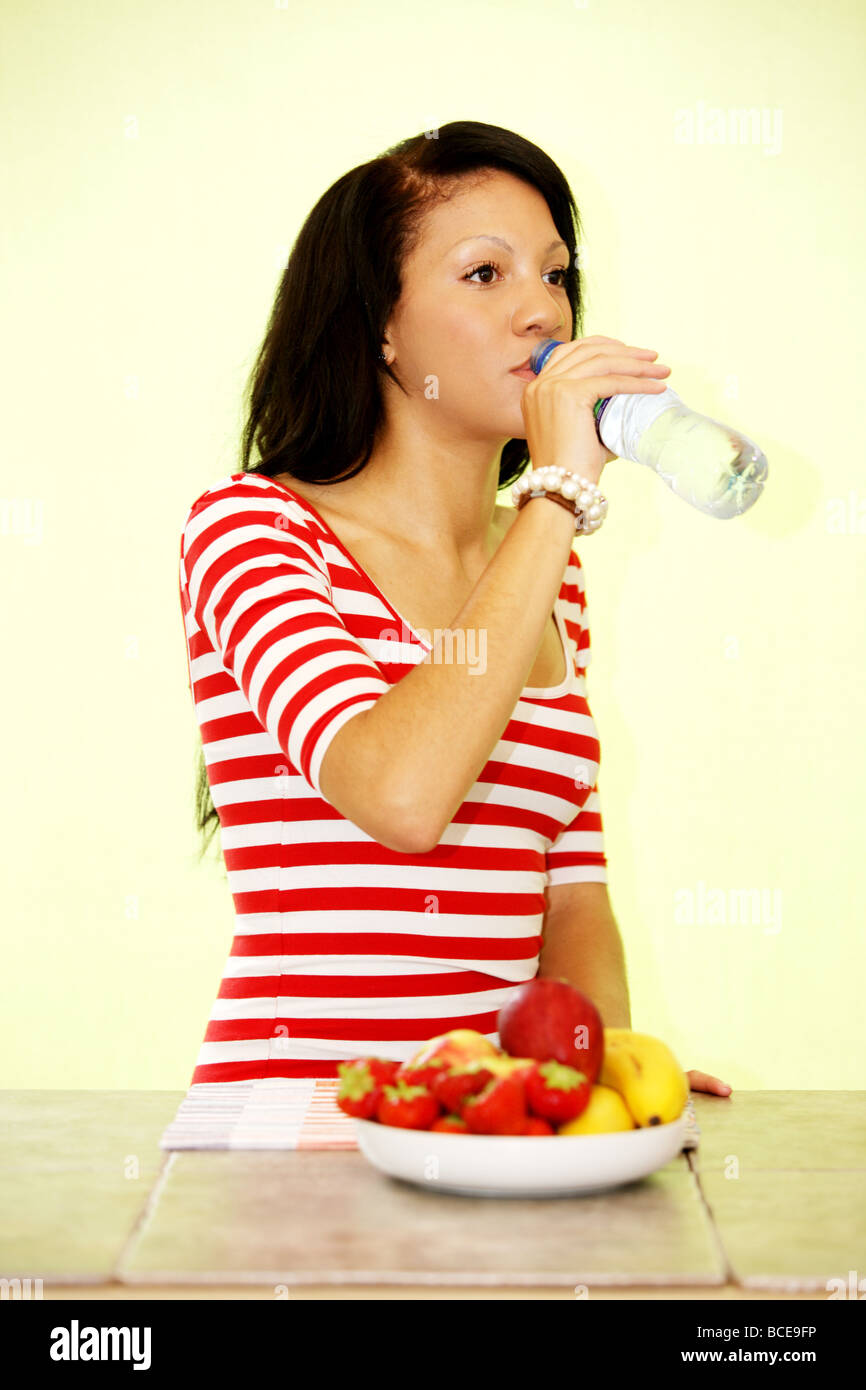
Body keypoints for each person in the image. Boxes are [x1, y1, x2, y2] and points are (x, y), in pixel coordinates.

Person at [179, 120, 731, 1099]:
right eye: (485, 274)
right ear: (379, 326)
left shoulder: (544, 570)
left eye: (555, 273)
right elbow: (400, 794)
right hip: (294, 1144)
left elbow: (571, 900)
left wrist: (598, 1080)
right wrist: (556, 495)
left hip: (487, 1139)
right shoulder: (253, 529)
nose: (541, 312)